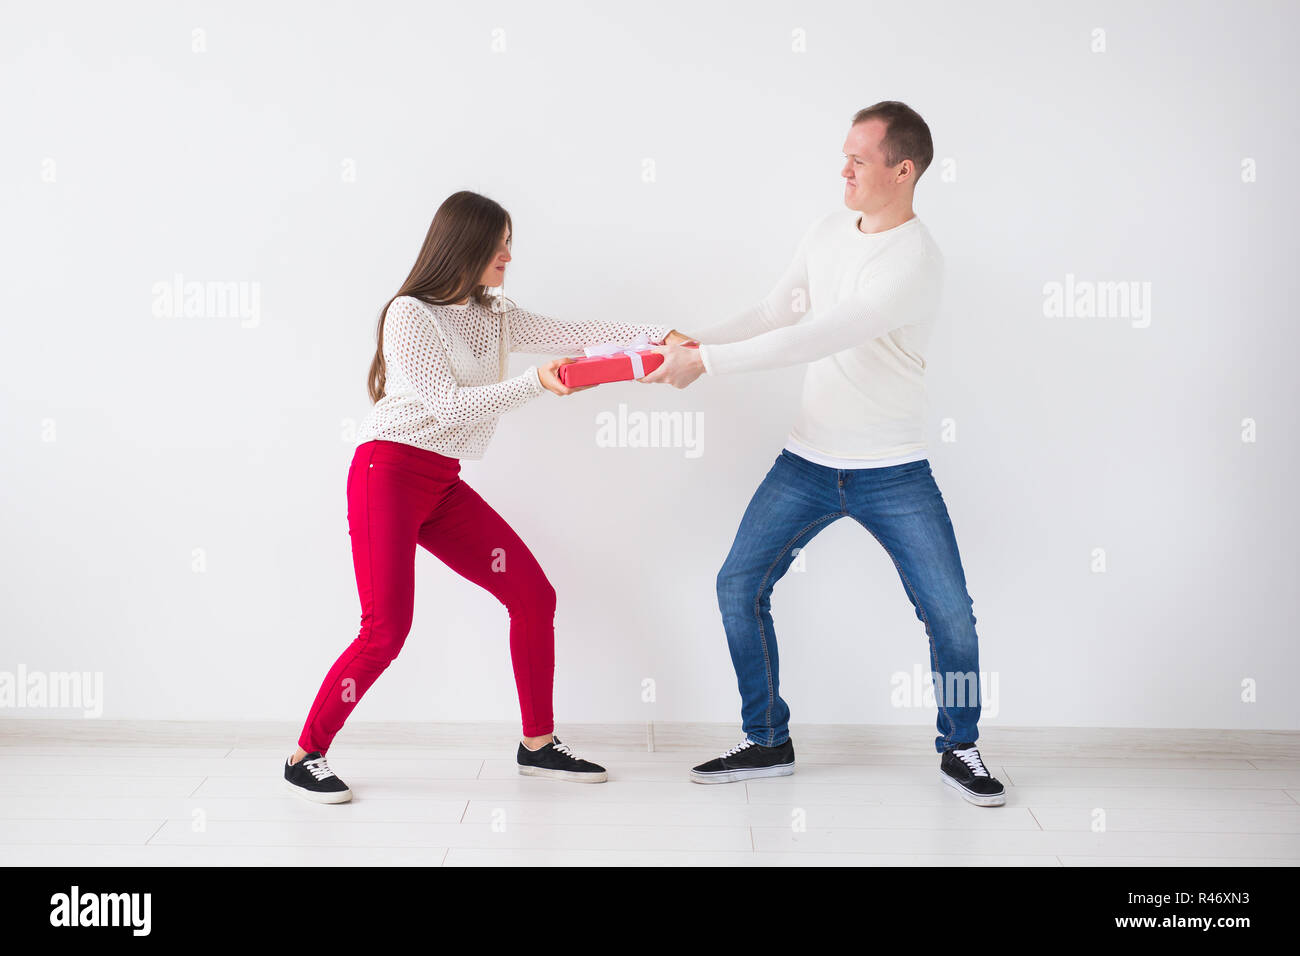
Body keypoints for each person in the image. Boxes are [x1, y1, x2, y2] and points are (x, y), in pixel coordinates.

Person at [640, 102, 1006, 807]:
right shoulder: (828, 231)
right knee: (736, 587)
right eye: (844, 154)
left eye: (859, 159)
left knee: (950, 614)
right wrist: (690, 345)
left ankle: (961, 745)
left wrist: (708, 364)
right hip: (806, 462)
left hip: (892, 470)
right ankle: (766, 739)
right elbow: (777, 313)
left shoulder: (915, 261)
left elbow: (818, 336)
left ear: (904, 170)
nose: (843, 169)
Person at [284, 190, 693, 803]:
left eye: (510, 241)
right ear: (463, 246)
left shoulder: (495, 312)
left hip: (441, 482)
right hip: (387, 473)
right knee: (386, 630)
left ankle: (538, 746)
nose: (508, 254)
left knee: (532, 594)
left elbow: (578, 333)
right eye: (498, 243)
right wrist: (535, 382)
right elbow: (445, 405)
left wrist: (660, 333)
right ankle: (305, 755)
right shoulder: (409, 314)